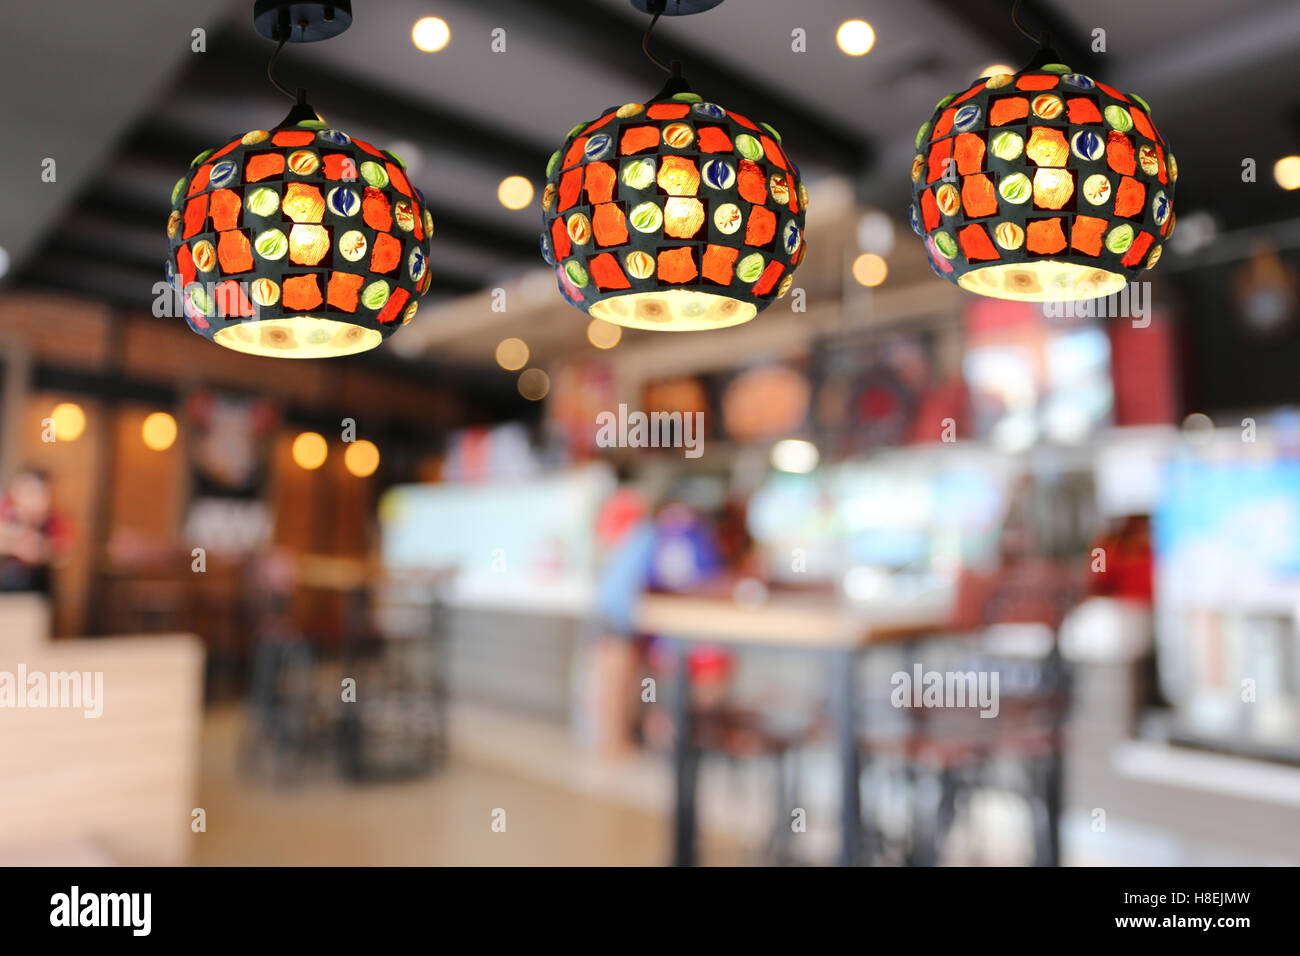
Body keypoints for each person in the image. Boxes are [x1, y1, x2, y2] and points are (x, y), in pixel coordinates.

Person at [0, 467, 70, 596]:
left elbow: (63, 556)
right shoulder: (6, 511)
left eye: (37, 493)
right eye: (26, 491)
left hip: (36, 589)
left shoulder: (54, 521)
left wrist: (42, 551)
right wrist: (13, 546)